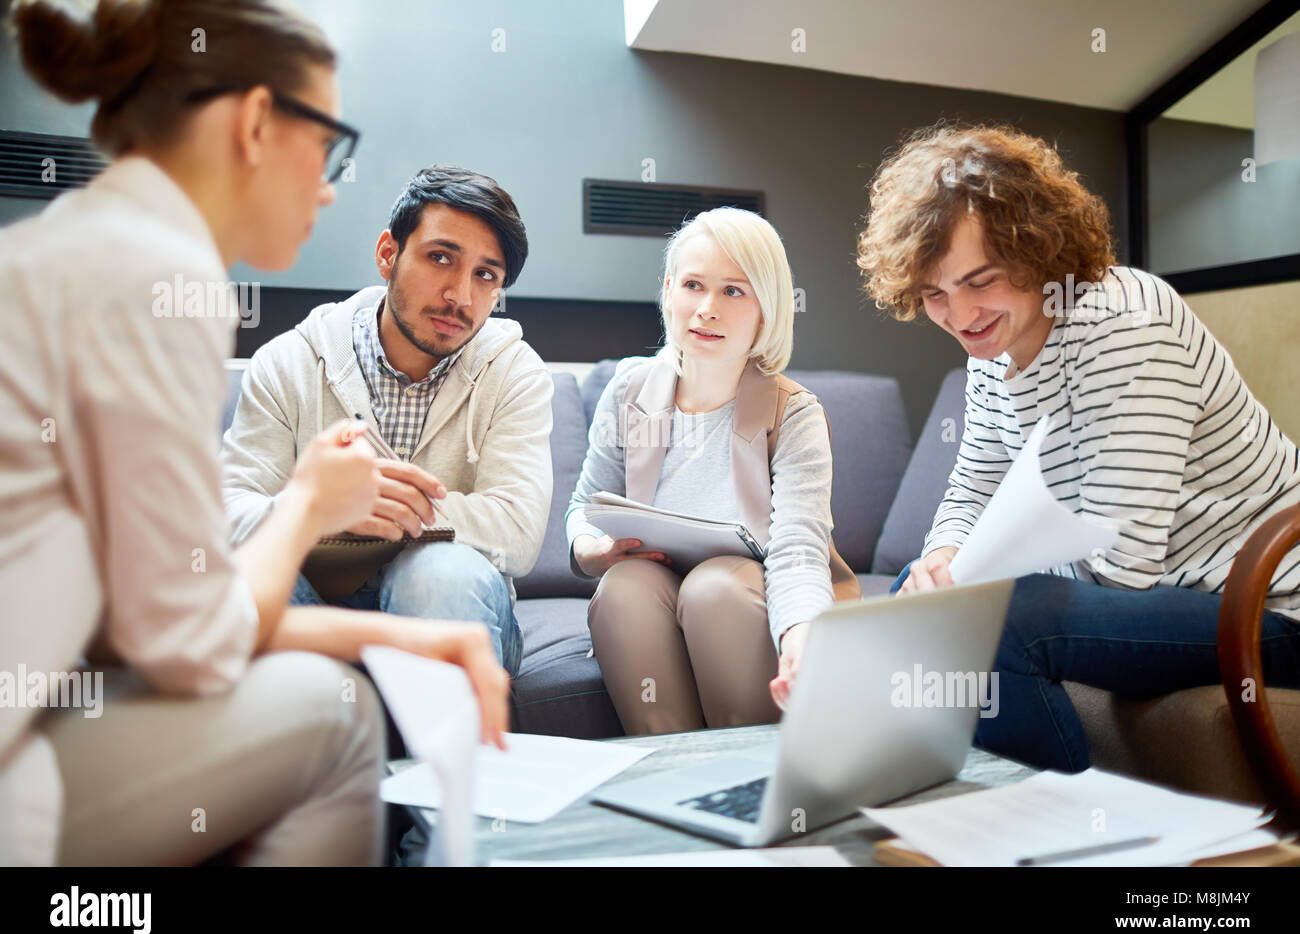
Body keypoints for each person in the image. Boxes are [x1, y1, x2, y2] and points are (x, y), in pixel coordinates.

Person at [0, 0, 506, 866]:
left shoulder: (75, 246)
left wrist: (404, 632)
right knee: (338, 712)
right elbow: (191, 646)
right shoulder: (160, 274)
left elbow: (152, 616)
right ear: (259, 122)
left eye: (486, 276)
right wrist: (306, 505)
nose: (330, 184)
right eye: (331, 147)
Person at [851, 123, 1300, 771]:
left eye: (982, 280)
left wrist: (976, 587)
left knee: (997, 619)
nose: (961, 315)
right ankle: (926, 803)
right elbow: (973, 486)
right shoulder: (992, 349)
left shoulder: (1122, 326)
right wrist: (942, 562)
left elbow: (1125, 569)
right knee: (911, 599)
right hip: (1175, 596)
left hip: (1264, 609)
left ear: (1036, 250)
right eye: (934, 294)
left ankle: (1059, 831)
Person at [220, 166, 552, 677]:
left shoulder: (515, 371)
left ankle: (453, 758)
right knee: (247, 579)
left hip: (456, 609)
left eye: (485, 275)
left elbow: (518, 533)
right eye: (440, 258)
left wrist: (390, 510)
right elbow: (228, 516)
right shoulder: (285, 362)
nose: (460, 296)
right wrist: (320, 510)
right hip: (311, 612)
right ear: (388, 254)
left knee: (438, 573)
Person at [566, 207, 859, 735]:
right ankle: (668, 767)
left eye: (733, 291)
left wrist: (801, 635)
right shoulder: (629, 390)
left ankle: (750, 771)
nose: (706, 309)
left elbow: (797, 549)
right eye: (694, 285)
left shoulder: (792, 412)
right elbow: (586, 507)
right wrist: (591, 549)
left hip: (748, 595)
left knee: (712, 588)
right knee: (624, 585)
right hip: (654, 586)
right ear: (669, 292)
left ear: (767, 311)